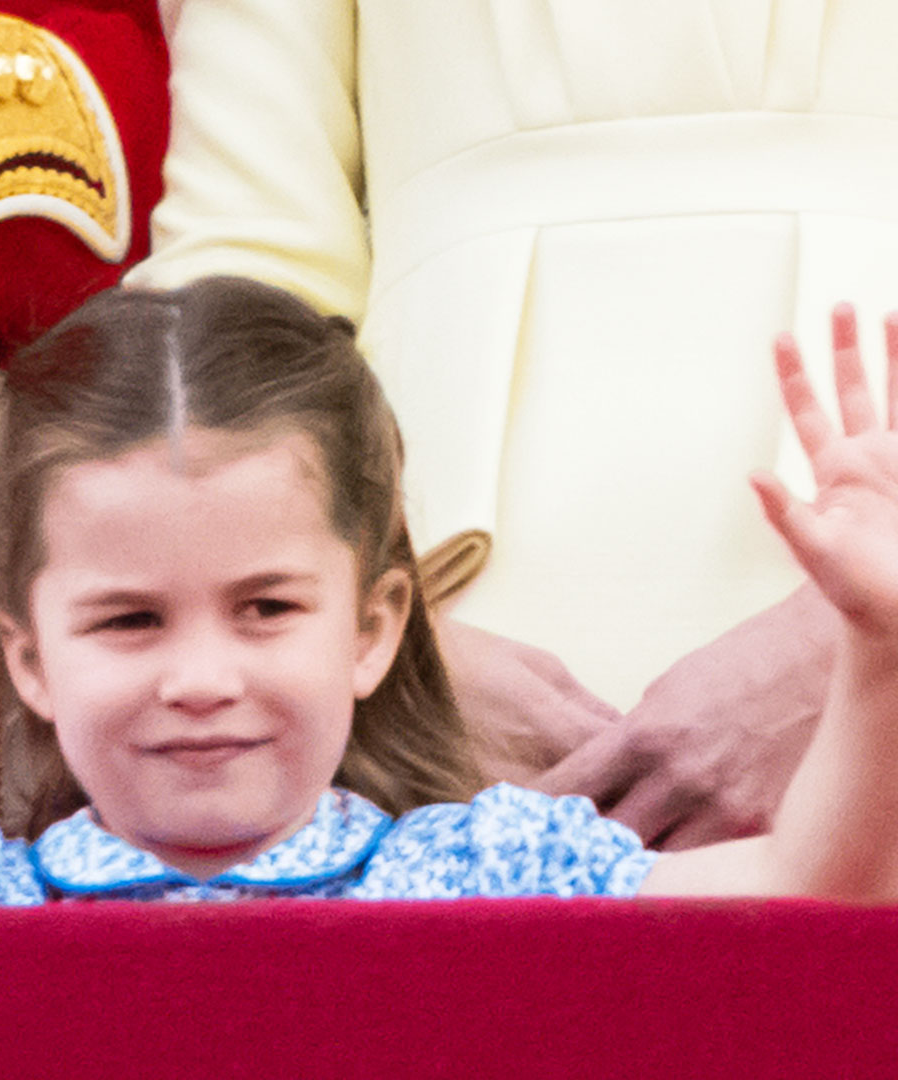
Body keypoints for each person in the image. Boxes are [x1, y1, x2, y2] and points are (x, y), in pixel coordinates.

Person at [0, 277, 898, 909]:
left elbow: (814, 889)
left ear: (374, 628)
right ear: (28, 657)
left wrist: (879, 655)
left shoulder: (490, 873)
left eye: (266, 609)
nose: (202, 675)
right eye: (129, 619)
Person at [118, 0, 898, 844]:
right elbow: (237, 289)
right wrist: (381, 660)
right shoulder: (389, 660)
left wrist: (858, 657)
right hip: (431, 642)